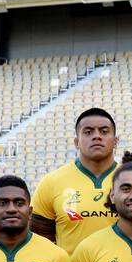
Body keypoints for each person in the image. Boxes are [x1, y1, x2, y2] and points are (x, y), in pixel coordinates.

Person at [30, 107, 121, 253]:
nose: (97, 136)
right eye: (88, 132)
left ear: (116, 141)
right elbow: (40, 241)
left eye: (104, 131)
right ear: (76, 141)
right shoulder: (52, 182)